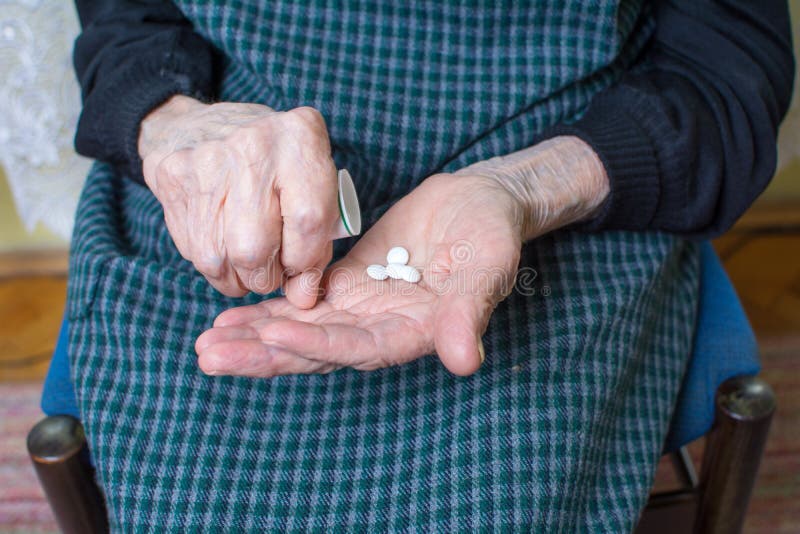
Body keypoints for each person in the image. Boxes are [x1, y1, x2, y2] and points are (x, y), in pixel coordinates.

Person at [63, 0, 793, 530]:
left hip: (562, 164)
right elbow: (125, 21)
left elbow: (724, 75)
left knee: (502, 508)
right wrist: (170, 123)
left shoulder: (539, 179)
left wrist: (521, 189)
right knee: (191, 504)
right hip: (239, 157)